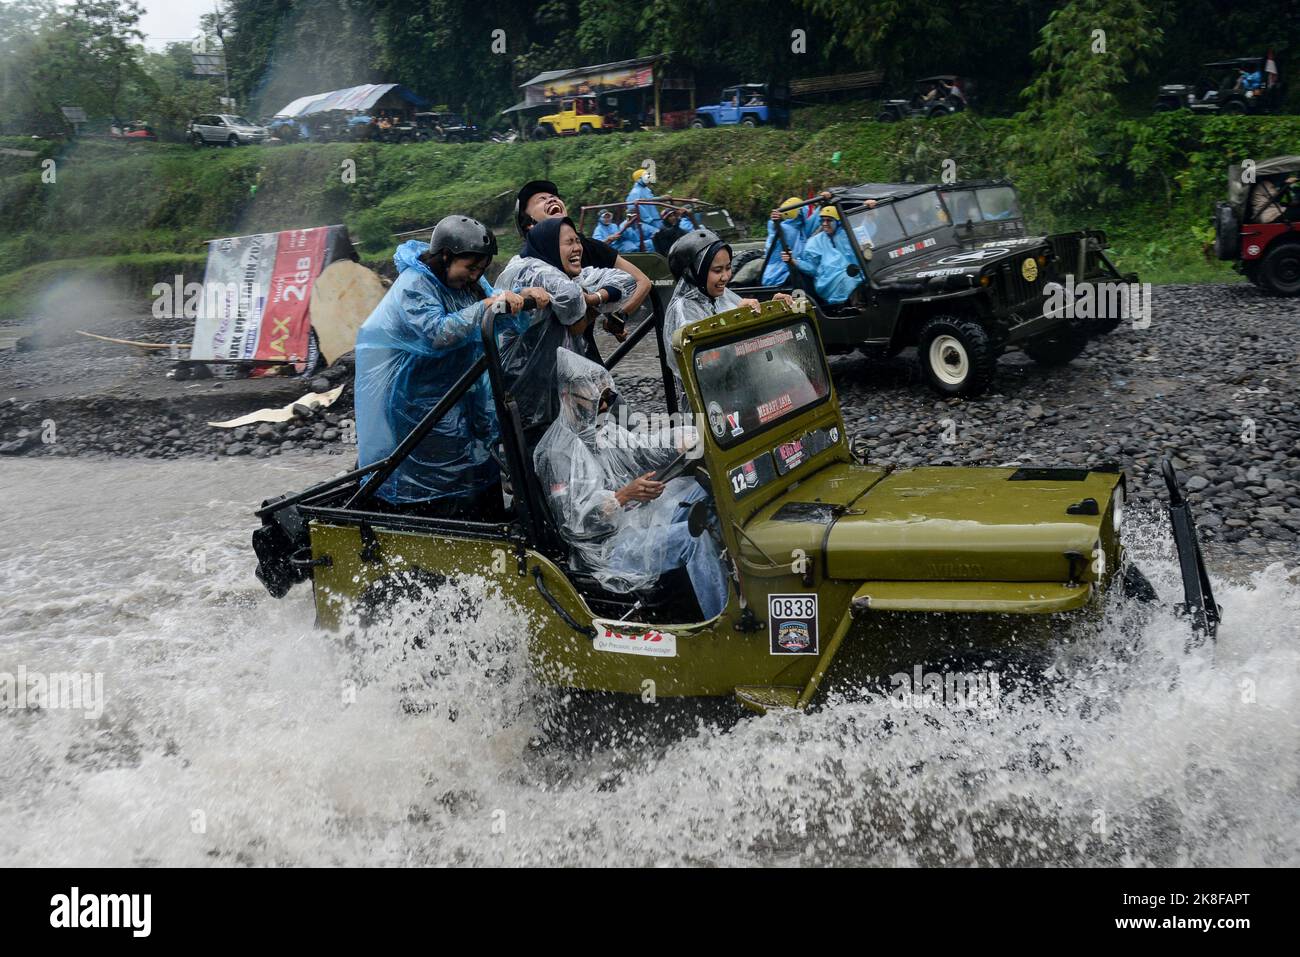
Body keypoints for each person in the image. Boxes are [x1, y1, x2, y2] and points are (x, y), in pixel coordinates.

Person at [354, 215, 544, 516]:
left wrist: (522, 297)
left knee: (476, 462)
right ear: (445, 256)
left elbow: (494, 309)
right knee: (437, 470)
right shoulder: (414, 286)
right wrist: (489, 305)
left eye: (480, 270)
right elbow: (438, 334)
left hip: (459, 391)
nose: (474, 276)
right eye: (470, 268)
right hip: (418, 402)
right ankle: (436, 529)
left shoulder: (468, 283)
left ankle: (487, 526)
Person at [533, 349, 728, 619]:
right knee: (691, 540)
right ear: (568, 396)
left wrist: (691, 436)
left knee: (707, 492)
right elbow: (575, 524)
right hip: (605, 549)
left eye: (609, 398)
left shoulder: (602, 429)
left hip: (634, 519)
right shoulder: (558, 452)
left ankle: (733, 583)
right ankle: (722, 619)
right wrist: (623, 496)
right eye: (598, 400)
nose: (605, 407)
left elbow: (643, 448)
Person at [498, 217, 638, 444]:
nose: (577, 248)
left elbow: (627, 281)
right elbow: (571, 301)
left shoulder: (568, 274)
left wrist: (594, 297)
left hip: (564, 386)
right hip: (527, 391)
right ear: (549, 245)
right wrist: (588, 308)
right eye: (569, 242)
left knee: (617, 426)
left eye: (578, 241)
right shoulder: (531, 269)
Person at [663, 228, 794, 406]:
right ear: (693, 273)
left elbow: (751, 334)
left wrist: (773, 311)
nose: (725, 276)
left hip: (741, 393)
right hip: (711, 407)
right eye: (717, 270)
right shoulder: (684, 309)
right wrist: (736, 318)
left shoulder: (722, 295)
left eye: (728, 267)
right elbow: (705, 365)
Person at [786, 205, 863, 306]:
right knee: (849, 282)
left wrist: (870, 212)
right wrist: (794, 261)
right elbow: (812, 268)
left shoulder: (847, 234)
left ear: (837, 221)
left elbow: (865, 231)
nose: (825, 224)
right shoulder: (815, 242)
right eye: (822, 220)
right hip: (829, 282)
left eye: (829, 220)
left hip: (856, 274)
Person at [761, 196, 809, 286]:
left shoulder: (799, 229)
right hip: (778, 276)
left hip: (781, 273)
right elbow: (774, 231)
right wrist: (774, 222)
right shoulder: (786, 229)